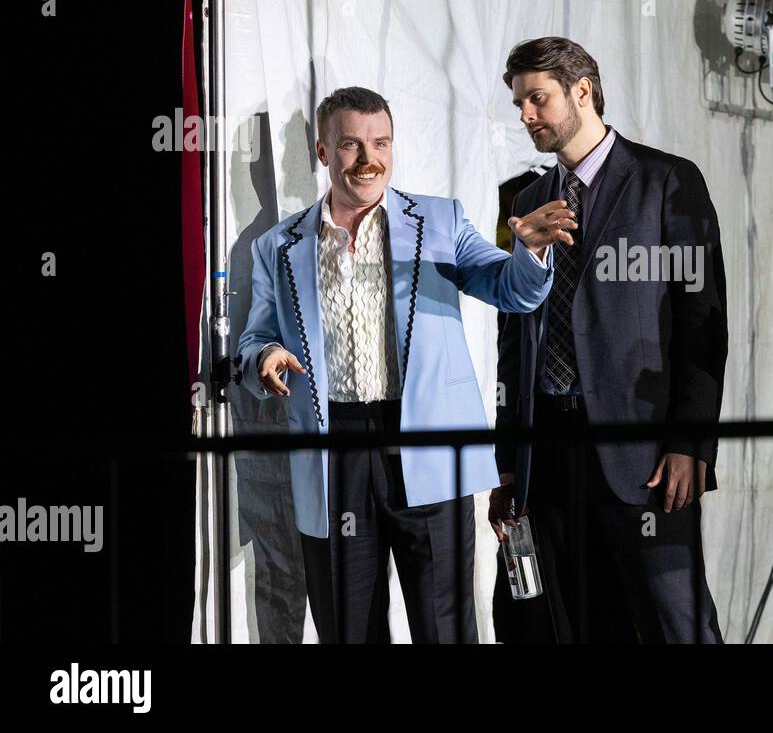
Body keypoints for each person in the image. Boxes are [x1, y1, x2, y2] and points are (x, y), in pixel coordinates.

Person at [237, 86, 571, 643]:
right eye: (350, 144)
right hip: (332, 452)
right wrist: (266, 355)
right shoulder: (278, 245)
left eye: (381, 143)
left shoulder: (439, 222)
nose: (369, 159)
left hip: (427, 445)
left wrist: (529, 251)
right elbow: (254, 339)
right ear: (322, 151)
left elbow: (509, 289)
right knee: (348, 625)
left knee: (443, 626)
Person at [490, 37, 728, 643]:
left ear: (583, 91)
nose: (525, 116)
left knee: (676, 623)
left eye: (536, 100)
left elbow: (704, 322)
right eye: (519, 103)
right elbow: (513, 337)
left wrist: (690, 442)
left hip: (643, 451)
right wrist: (510, 463)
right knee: (570, 623)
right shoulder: (525, 201)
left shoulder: (669, 181)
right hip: (547, 449)